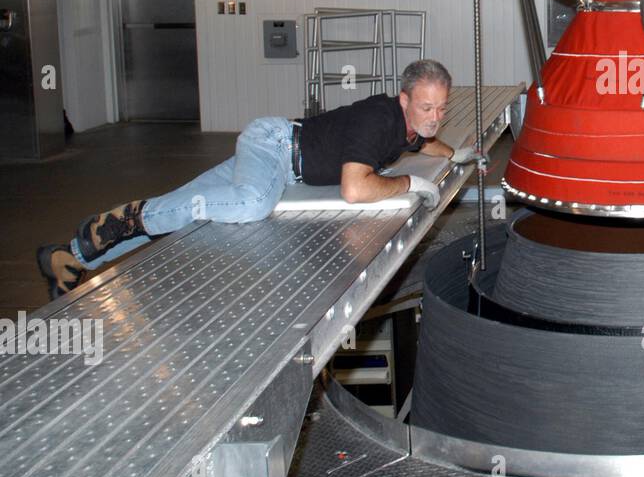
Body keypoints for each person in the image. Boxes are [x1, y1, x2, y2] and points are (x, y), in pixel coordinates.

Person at [37, 59, 482, 299]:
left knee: (186, 209)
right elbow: (355, 189)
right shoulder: (379, 121)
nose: (435, 116)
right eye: (426, 107)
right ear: (404, 98)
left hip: (278, 154)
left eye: (442, 108)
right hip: (274, 149)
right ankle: (126, 218)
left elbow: (425, 143)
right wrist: (411, 186)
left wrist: (455, 154)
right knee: (251, 204)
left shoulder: (408, 125)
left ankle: (70, 254)